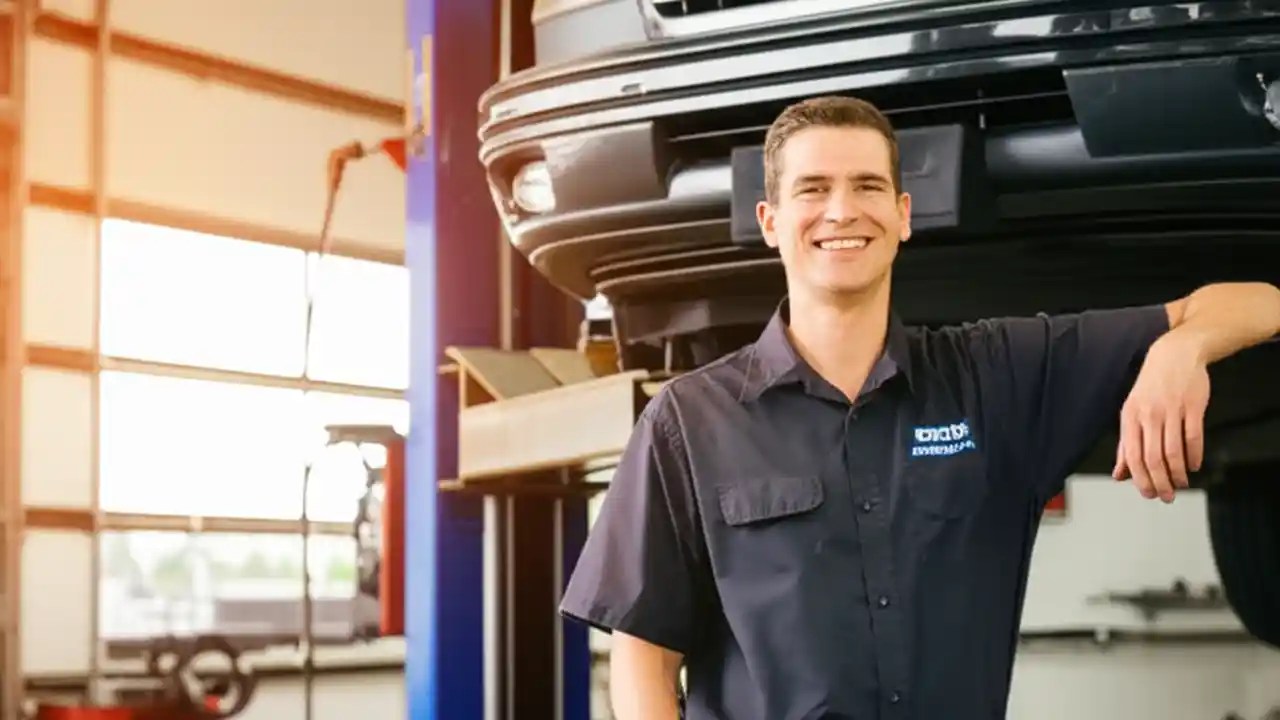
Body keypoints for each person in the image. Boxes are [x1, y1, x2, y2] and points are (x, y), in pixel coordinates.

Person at [558, 95, 1280, 720]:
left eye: (867, 186)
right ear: (770, 220)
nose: (842, 211)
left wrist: (1179, 352)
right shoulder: (690, 421)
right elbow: (644, 660)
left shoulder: (995, 378)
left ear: (903, 215)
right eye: (813, 190)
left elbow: (1256, 303)